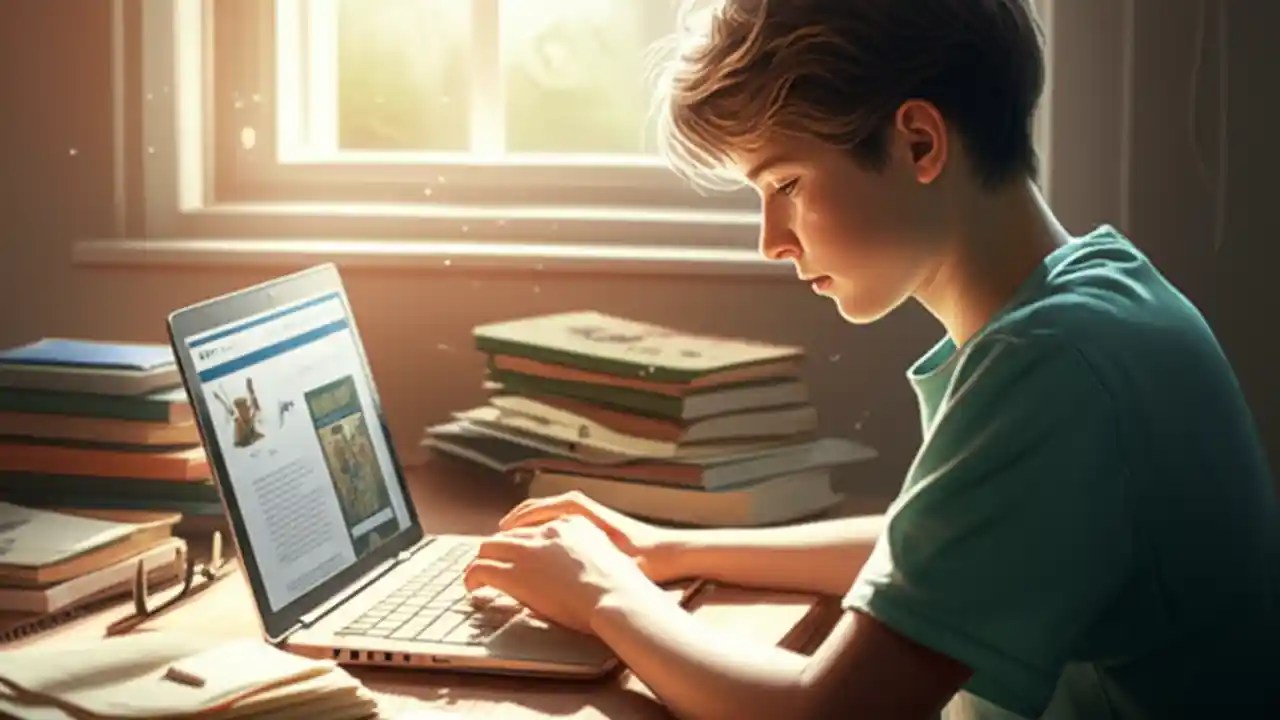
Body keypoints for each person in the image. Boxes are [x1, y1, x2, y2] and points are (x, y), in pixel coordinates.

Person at [462, 1, 1280, 717]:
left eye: (784, 183)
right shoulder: (1102, 294)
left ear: (920, 142)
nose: (772, 242)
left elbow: (832, 711)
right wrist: (665, 549)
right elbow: (939, 554)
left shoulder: (1054, 362)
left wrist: (606, 595)